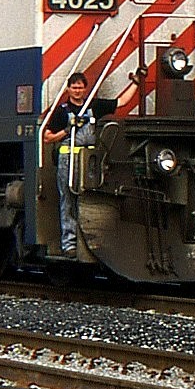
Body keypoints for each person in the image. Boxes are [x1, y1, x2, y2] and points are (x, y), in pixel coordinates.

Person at [43, 68, 142, 255]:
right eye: (74, 87)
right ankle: (69, 244)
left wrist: (136, 82)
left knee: (88, 198)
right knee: (68, 200)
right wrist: (67, 129)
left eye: (80, 87)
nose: (77, 91)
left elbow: (121, 102)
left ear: (85, 89)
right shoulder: (61, 112)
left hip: (89, 159)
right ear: (68, 89)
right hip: (68, 159)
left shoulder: (93, 105)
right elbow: (48, 137)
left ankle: (88, 241)